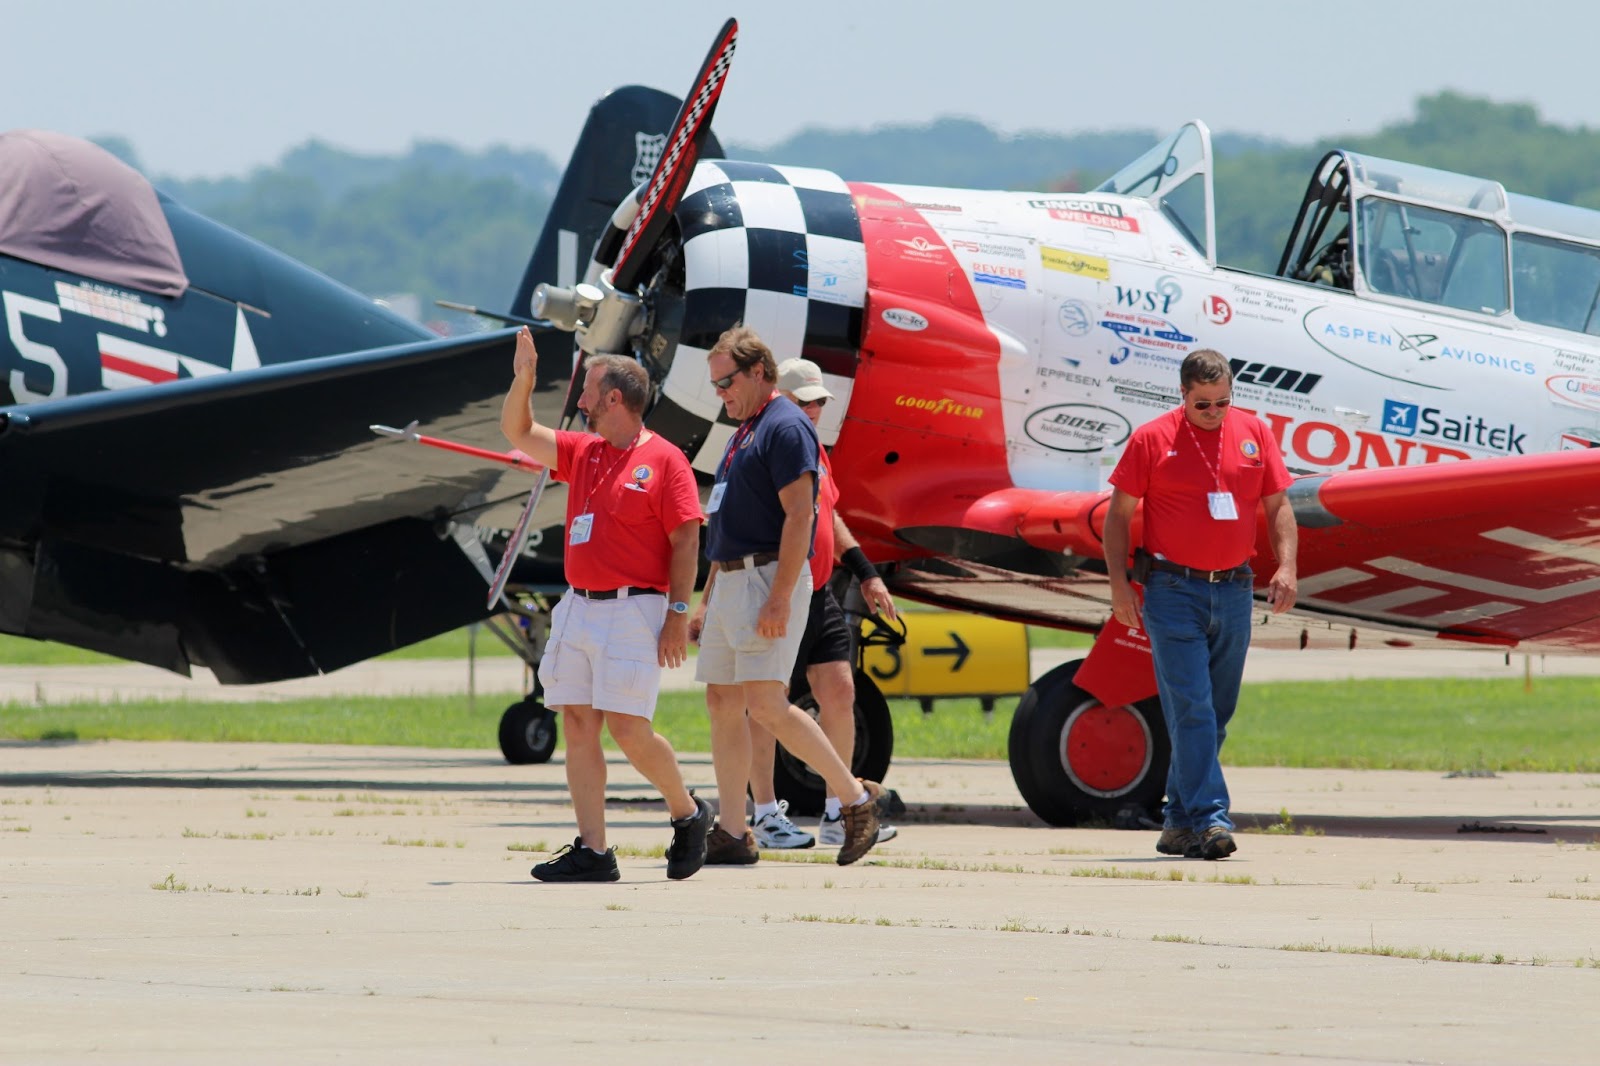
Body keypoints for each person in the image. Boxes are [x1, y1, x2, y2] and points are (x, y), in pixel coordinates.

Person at [500, 326, 711, 882]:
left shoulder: (665, 461)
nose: (582, 402)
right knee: (576, 722)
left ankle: (688, 814)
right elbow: (517, 429)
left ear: (615, 398)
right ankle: (594, 851)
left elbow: (687, 539)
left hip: (634, 609)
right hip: (580, 606)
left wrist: (677, 616)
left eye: (590, 393)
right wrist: (523, 378)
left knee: (628, 728)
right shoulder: (583, 451)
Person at [689, 325, 885, 867]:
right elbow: (727, 517)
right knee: (722, 702)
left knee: (767, 704)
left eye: (726, 381)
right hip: (731, 578)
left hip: (764, 580)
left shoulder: (786, 425)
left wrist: (778, 596)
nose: (720, 392)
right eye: (716, 383)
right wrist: (708, 597)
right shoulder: (744, 430)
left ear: (759, 373)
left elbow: (802, 514)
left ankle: (854, 799)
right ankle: (732, 829)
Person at [1102, 348, 1297, 861]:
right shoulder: (1151, 438)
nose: (1214, 413)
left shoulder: (1255, 432)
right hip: (1171, 590)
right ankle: (1212, 819)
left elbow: (1279, 505)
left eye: (1223, 403)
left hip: (1234, 588)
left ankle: (1175, 823)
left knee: (1217, 715)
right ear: (1183, 394)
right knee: (1193, 708)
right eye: (1203, 404)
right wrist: (1120, 586)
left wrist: (1287, 566)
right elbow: (1118, 516)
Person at [745, 357, 900, 849]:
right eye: (805, 401)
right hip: (779, 591)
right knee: (766, 704)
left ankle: (839, 812)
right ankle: (764, 811)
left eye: (819, 402)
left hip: (818, 590)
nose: (815, 409)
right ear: (783, 400)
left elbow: (828, 515)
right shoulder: (772, 444)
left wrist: (868, 574)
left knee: (840, 692)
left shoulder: (814, 448)